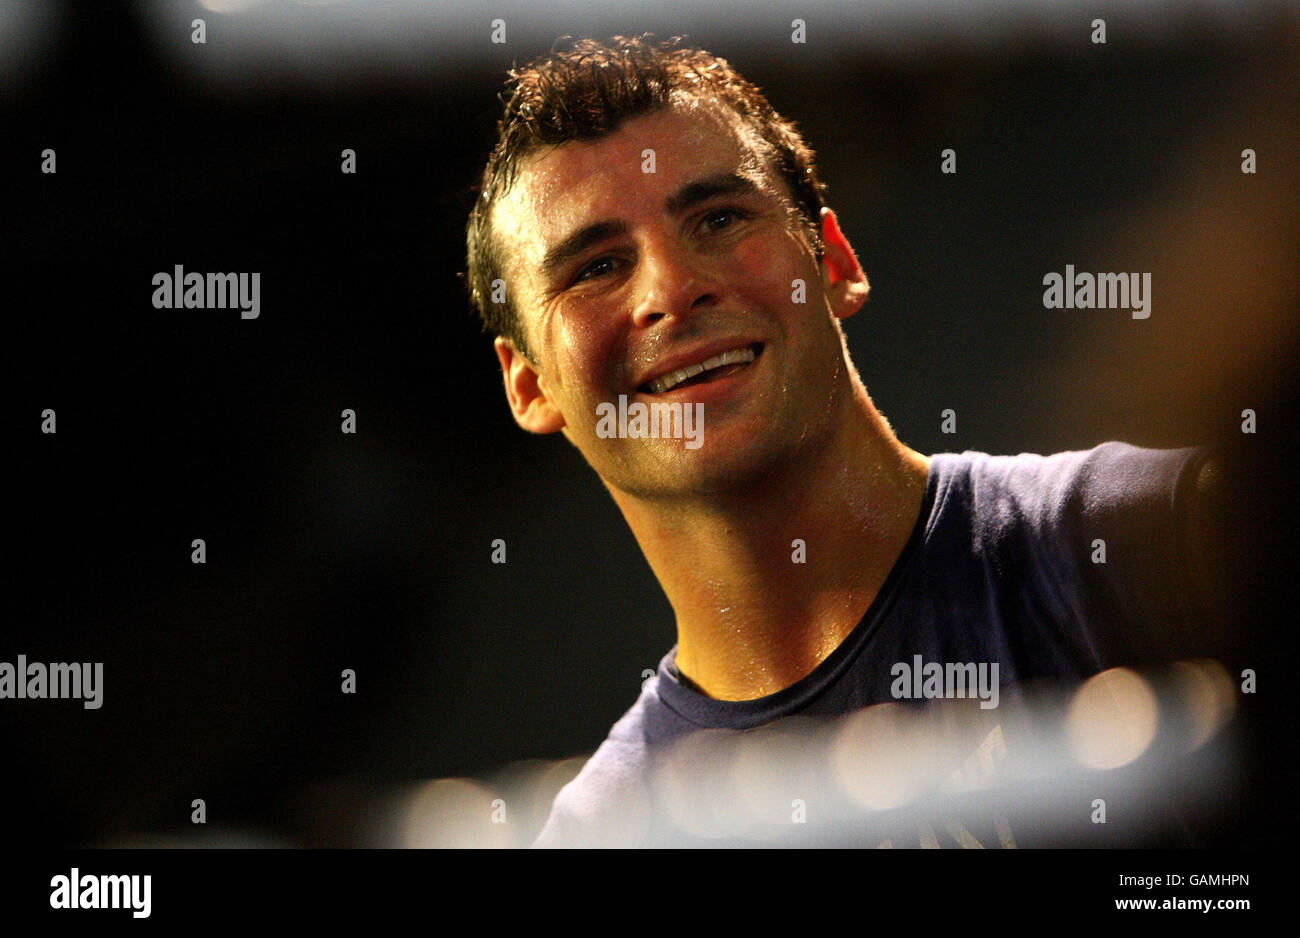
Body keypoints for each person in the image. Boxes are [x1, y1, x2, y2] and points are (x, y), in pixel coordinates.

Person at [463, 35, 1237, 847]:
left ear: (833, 260)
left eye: (719, 218)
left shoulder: (1142, 539)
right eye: (594, 267)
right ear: (530, 385)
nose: (671, 288)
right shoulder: (606, 835)